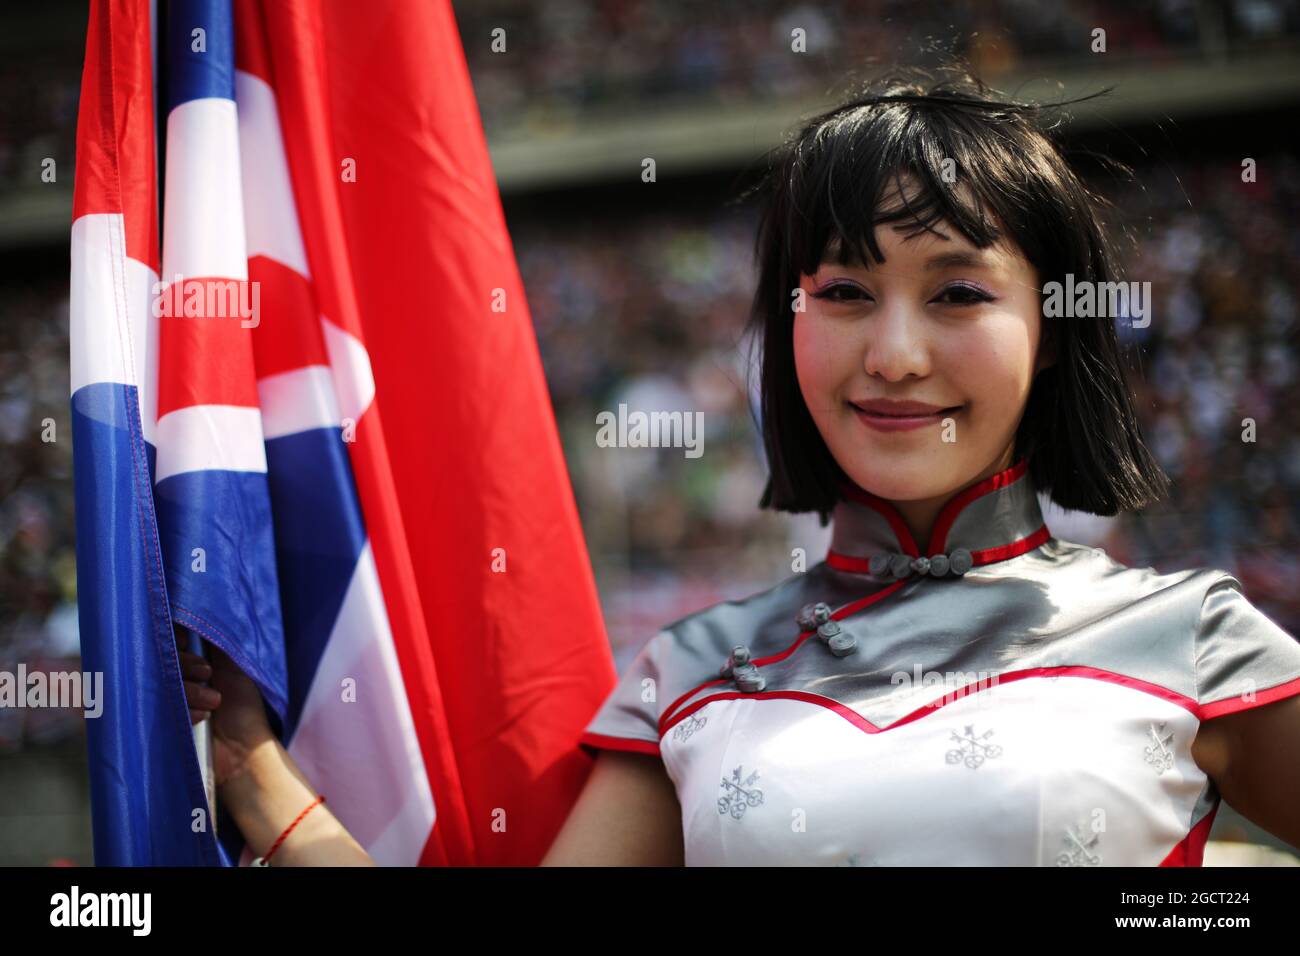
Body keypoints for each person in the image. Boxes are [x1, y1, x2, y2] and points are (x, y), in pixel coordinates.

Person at [181, 65, 1300, 866]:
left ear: (1050, 328)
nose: (894, 355)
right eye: (843, 293)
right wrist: (252, 769)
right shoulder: (693, 671)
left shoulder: (1192, 634)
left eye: (958, 292)